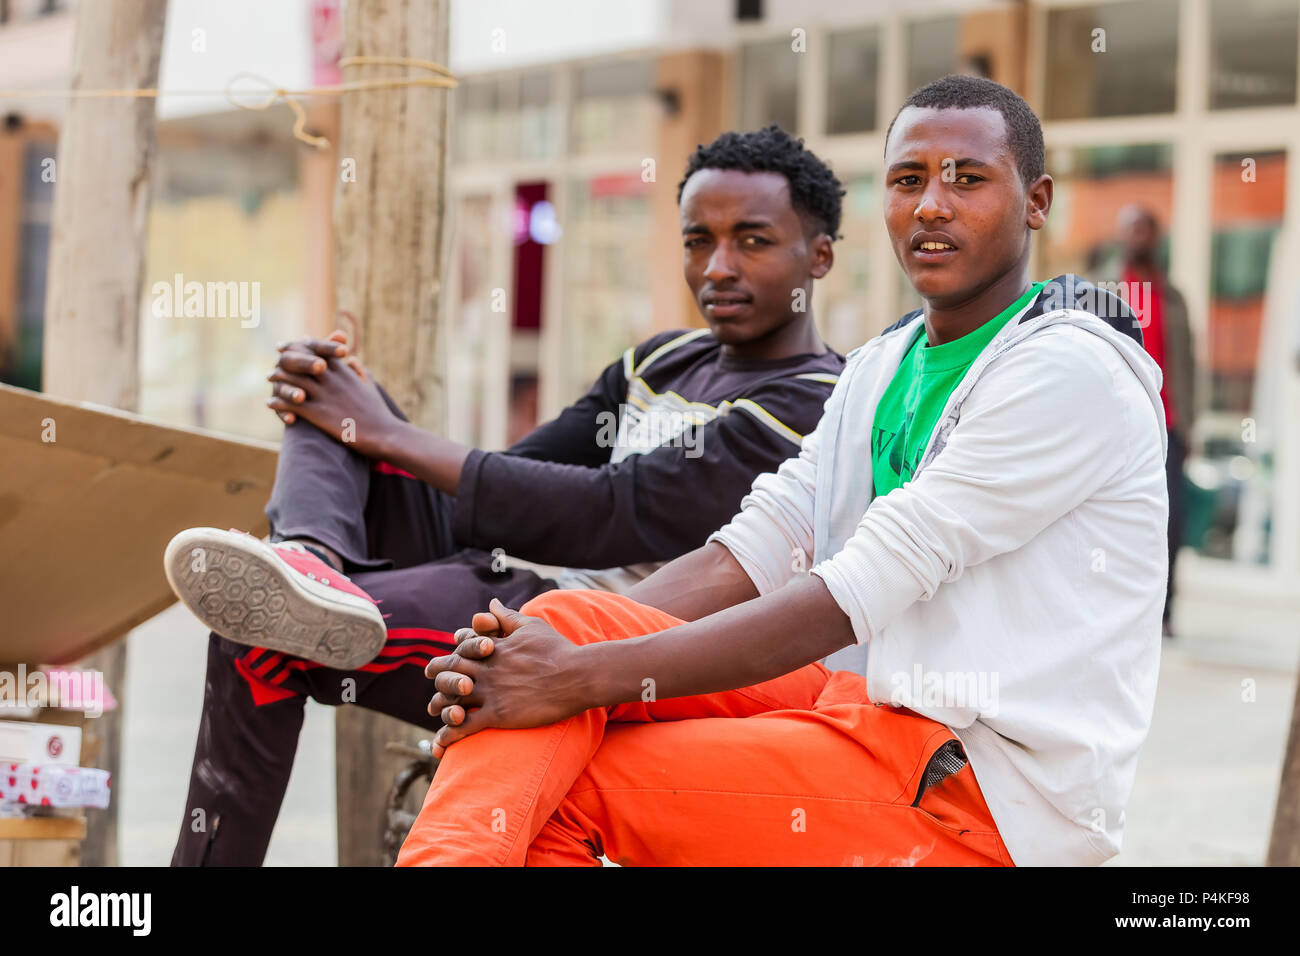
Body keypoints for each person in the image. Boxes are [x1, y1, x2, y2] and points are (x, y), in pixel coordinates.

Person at [397, 74, 1169, 868]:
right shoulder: (884, 363)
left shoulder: (1069, 372)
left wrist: (577, 680)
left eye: (967, 179)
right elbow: (758, 547)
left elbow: (850, 592)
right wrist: (540, 655)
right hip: (862, 704)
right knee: (565, 619)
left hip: (978, 786)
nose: (932, 205)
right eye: (909, 180)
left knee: (567, 781)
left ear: (1036, 200)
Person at [163, 125, 847, 866]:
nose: (717, 266)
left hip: (587, 643)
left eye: (751, 241)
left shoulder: (814, 400)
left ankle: (306, 589)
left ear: (818, 255)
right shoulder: (663, 359)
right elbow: (528, 469)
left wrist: (388, 434)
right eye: (697, 240)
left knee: (261, 633)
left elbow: (610, 513)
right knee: (330, 407)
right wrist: (355, 412)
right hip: (511, 580)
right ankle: (308, 557)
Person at [1096, 205, 1197, 636]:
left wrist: (1190, 423)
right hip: (1114, 421)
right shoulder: (1101, 290)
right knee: (1111, 517)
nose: (1138, 236)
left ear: (1156, 238)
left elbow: (1188, 363)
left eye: (1146, 229)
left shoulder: (1171, 295)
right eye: (1131, 228)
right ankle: (1110, 604)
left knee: (1169, 520)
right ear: (1121, 235)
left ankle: (1164, 610)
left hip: (1168, 424)